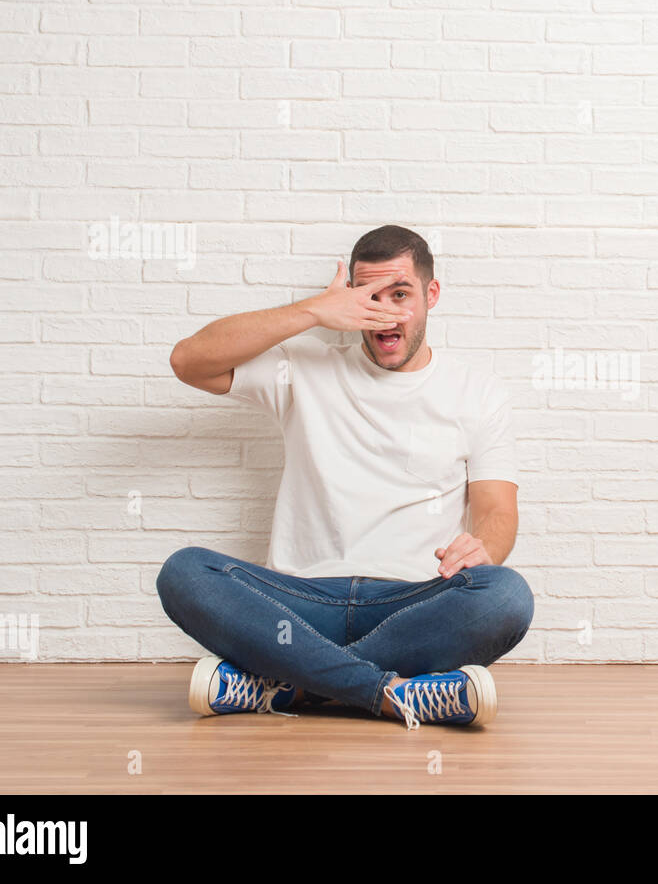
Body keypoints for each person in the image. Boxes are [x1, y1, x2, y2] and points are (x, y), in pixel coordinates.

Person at [155, 225, 533, 730]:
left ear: (432, 295)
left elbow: (496, 510)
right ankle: (391, 694)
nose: (383, 311)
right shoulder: (304, 366)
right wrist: (311, 311)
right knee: (184, 573)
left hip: (411, 602)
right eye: (367, 295)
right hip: (300, 603)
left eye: (400, 294)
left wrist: (482, 548)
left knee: (506, 595)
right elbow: (188, 361)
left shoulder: (477, 392)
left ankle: (287, 686)